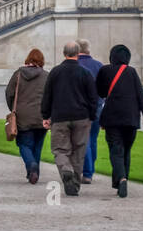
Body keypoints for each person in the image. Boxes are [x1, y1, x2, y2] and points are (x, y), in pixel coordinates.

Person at [40, 41, 99, 197]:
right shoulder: (85, 73)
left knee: (60, 150)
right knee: (79, 151)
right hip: (82, 117)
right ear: (78, 53)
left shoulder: (56, 72)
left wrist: (45, 116)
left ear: (64, 53)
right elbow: (93, 98)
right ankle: (75, 184)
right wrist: (92, 116)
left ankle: (66, 169)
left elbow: (47, 96)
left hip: (60, 116)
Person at [96, 44, 143, 198]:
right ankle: (123, 179)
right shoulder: (131, 72)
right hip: (131, 118)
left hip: (112, 117)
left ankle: (121, 179)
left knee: (116, 150)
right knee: (126, 151)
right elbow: (140, 94)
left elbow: (100, 92)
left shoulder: (105, 70)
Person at [5, 49, 50, 184]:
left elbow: (9, 94)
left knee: (24, 144)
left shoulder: (18, 74)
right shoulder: (46, 76)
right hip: (41, 115)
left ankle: (31, 166)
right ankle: (34, 171)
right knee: (37, 145)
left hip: (23, 115)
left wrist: (13, 108)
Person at [76, 39, 104, 184]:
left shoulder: (75, 65)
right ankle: (89, 170)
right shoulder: (98, 65)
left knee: (83, 141)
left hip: (80, 108)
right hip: (97, 107)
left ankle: (86, 172)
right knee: (92, 140)